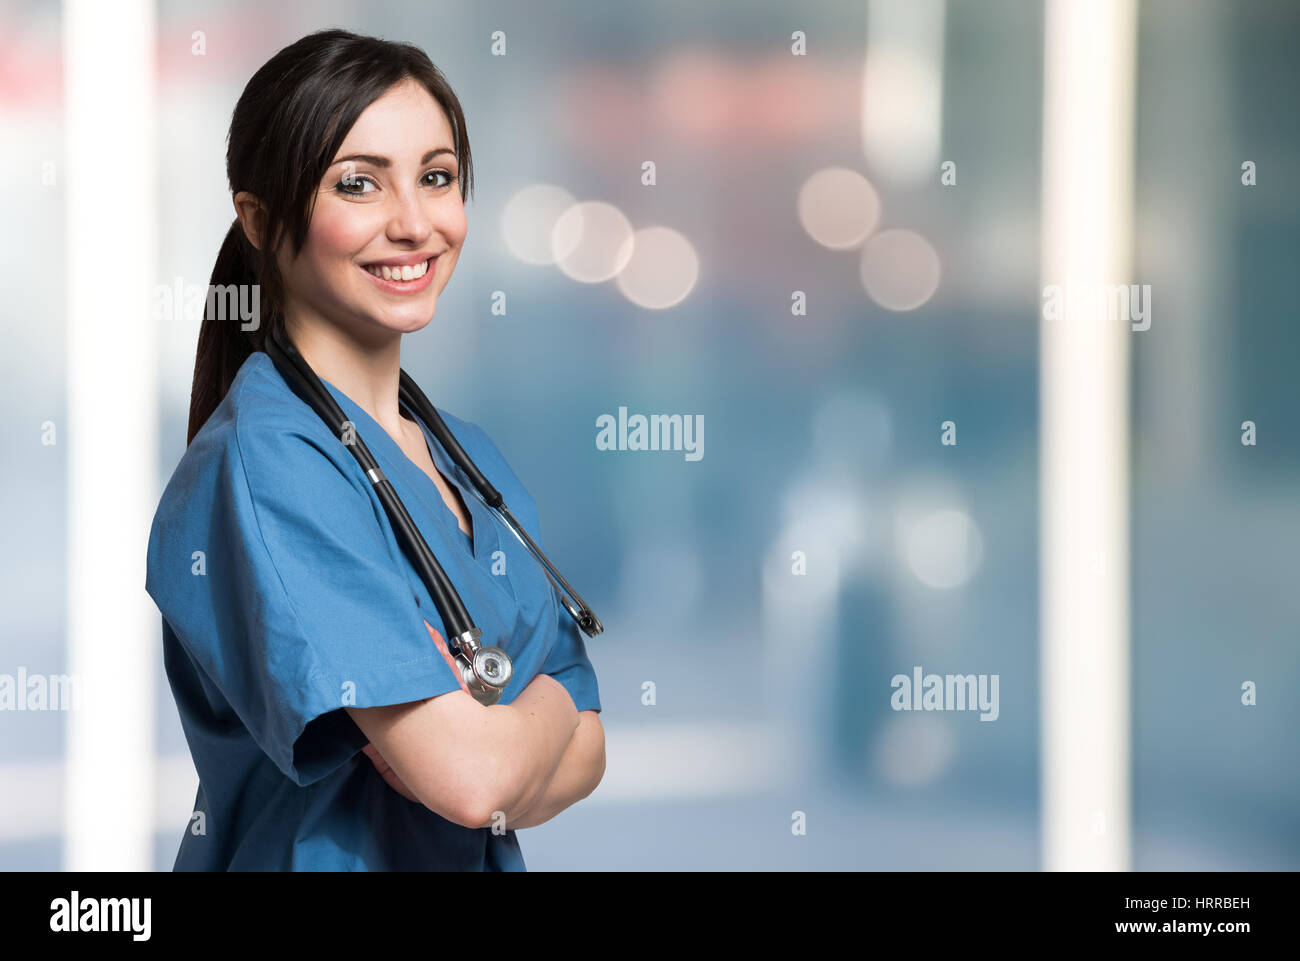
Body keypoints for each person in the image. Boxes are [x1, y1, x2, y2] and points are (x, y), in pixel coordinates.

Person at [144, 29, 603, 871]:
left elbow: (591, 752)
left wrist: (505, 734)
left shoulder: (469, 460)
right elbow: (474, 780)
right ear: (260, 219)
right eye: (358, 183)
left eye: (437, 177)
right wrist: (539, 711)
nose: (414, 223)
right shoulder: (268, 466)